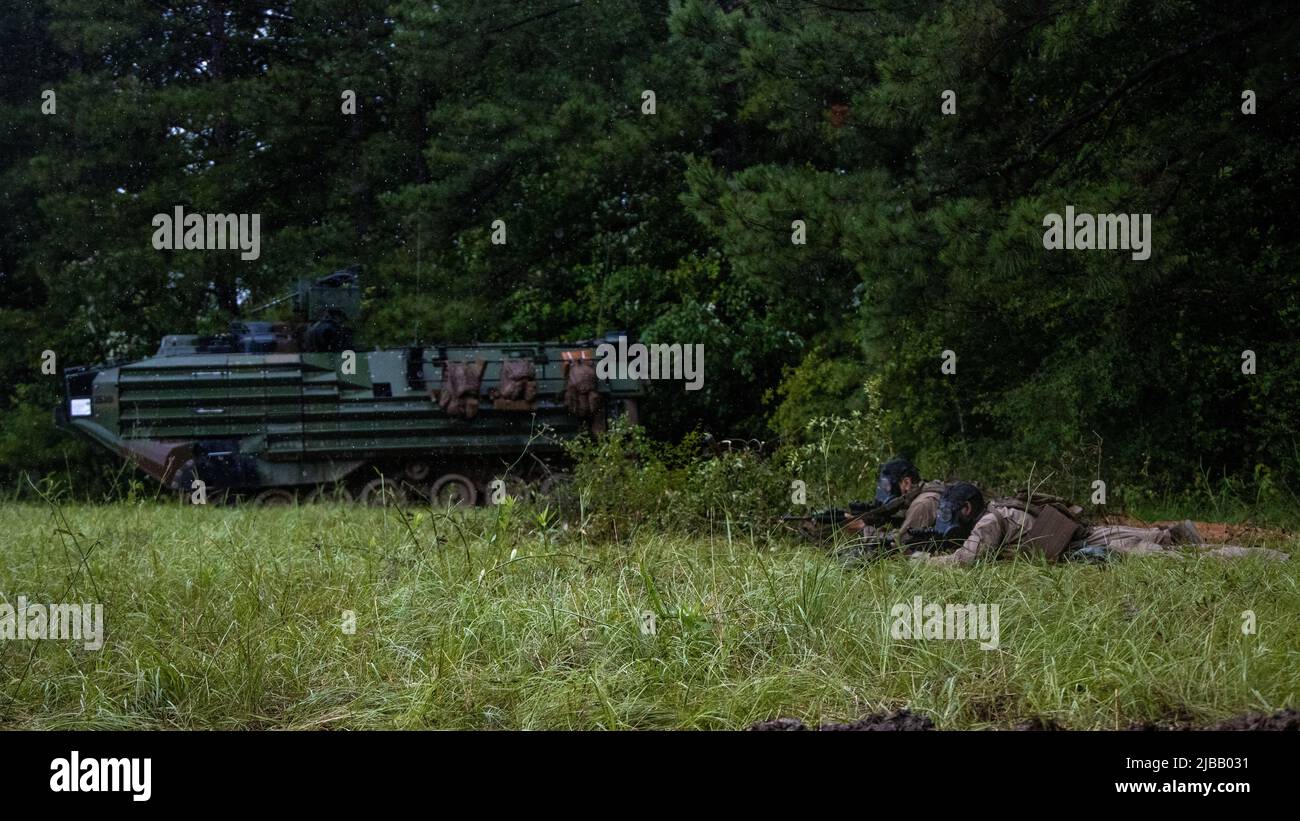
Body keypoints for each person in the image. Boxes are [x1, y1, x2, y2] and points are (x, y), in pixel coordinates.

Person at [919, 482, 1288, 566]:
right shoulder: (998, 510)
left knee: (1183, 557)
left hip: (1097, 545)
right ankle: (1271, 556)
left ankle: (1270, 558)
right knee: (1176, 546)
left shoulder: (988, 522)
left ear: (967, 509)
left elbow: (963, 562)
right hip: (1095, 539)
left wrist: (921, 561)